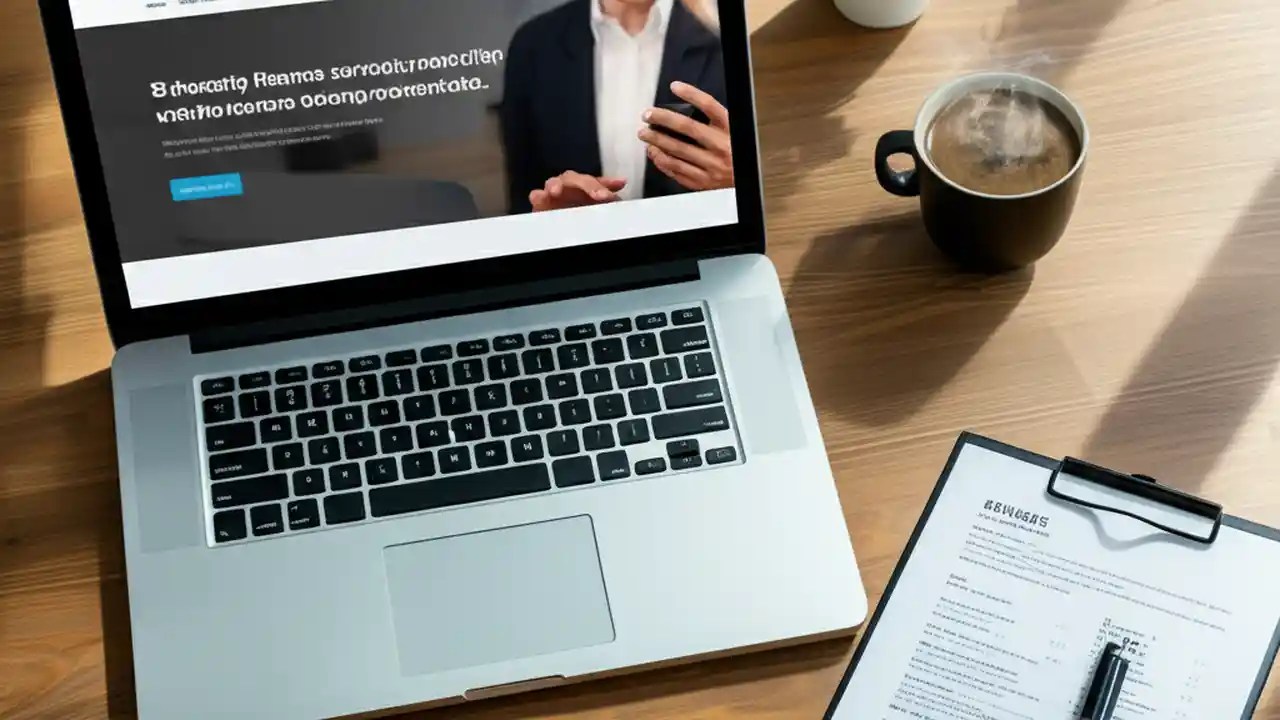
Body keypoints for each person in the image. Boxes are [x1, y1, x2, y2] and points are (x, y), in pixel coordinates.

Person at [500, 0, 733, 213]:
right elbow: (523, 197)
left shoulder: (724, 34)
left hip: (706, 246)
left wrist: (738, 182)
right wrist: (550, 218)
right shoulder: (533, 45)